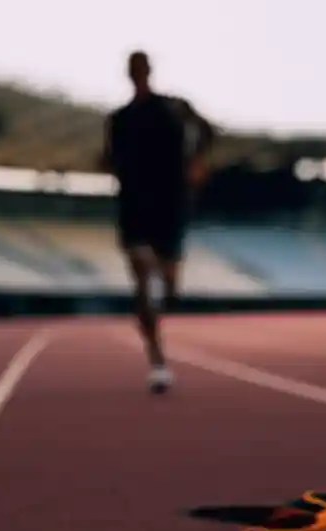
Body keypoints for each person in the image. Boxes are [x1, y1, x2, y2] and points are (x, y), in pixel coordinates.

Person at [103, 50, 216, 393]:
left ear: (150, 70)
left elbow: (209, 131)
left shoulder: (175, 107)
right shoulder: (118, 119)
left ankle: (168, 286)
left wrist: (197, 160)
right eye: (132, 69)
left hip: (171, 201)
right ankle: (157, 360)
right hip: (134, 204)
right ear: (127, 74)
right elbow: (108, 158)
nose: (137, 73)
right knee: (140, 274)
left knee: (167, 283)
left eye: (141, 67)